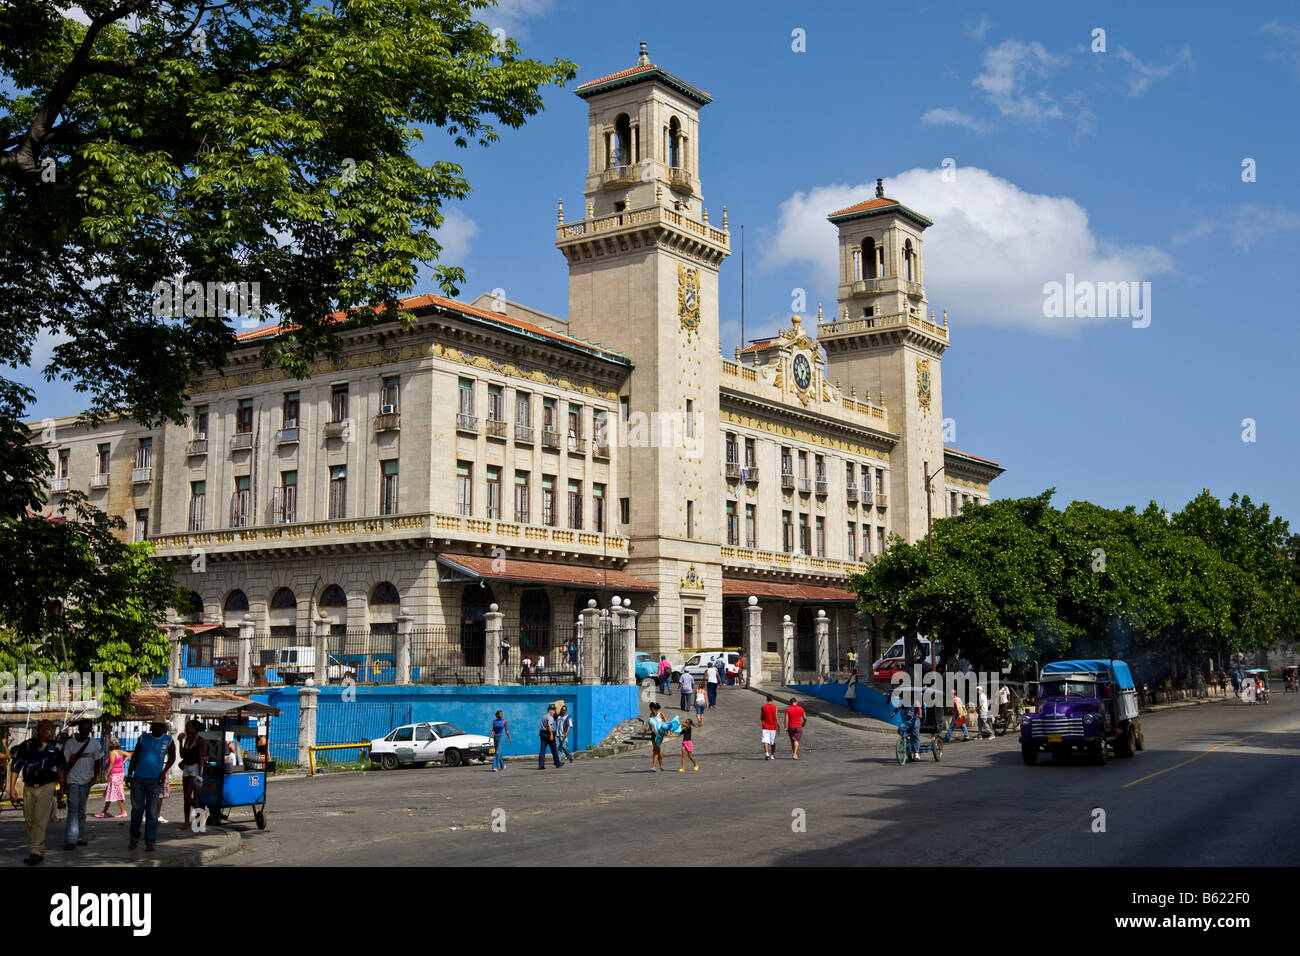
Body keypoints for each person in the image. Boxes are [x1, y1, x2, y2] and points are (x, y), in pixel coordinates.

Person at [11, 720, 65, 864]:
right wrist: (11, 788)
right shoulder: (27, 746)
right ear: (41, 731)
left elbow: (61, 768)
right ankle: (34, 848)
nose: (53, 733)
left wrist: (61, 790)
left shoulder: (57, 747)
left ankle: (36, 851)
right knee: (30, 820)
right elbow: (16, 766)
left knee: (40, 820)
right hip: (29, 787)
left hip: (47, 787)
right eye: (50, 730)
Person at [127, 718, 175, 852]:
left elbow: (172, 757)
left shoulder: (168, 741)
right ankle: (134, 838)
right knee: (137, 809)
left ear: (163, 728)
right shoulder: (143, 739)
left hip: (155, 780)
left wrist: (164, 771)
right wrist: (129, 774)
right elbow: (135, 756)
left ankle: (150, 840)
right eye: (154, 726)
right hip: (139, 779)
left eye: (159, 726)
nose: (156, 729)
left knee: (152, 812)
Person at [60, 717, 101, 850]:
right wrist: (63, 783)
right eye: (84, 729)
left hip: (86, 781)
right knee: (73, 809)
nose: (86, 731)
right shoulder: (70, 744)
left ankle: (79, 836)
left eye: (88, 729)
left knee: (81, 810)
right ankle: (71, 839)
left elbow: (98, 761)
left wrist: (95, 777)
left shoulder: (94, 744)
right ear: (79, 729)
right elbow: (64, 765)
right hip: (72, 780)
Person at [177, 719, 203, 829]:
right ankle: (186, 821)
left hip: (195, 768)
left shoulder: (200, 740)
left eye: (189, 727)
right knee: (185, 797)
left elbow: (200, 757)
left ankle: (201, 814)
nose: (187, 729)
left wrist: (199, 774)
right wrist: (180, 742)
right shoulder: (187, 739)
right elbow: (182, 755)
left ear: (194, 728)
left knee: (188, 795)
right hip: (186, 767)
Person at [95, 739, 129, 818]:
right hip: (120, 774)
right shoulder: (119, 751)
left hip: (115, 774)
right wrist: (123, 762)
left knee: (115, 792)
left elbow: (111, 765)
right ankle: (104, 812)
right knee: (110, 792)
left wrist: (106, 774)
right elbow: (129, 754)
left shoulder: (112, 753)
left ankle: (123, 811)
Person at [892, 693, 923, 761]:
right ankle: (907, 741)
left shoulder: (915, 701)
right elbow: (897, 709)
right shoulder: (902, 702)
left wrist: (920, 714)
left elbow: (919, 708)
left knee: (915, 735)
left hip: (915, 720)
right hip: (906, 721)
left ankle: (916, 752)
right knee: (900, 730)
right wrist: (893, 714)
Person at [536, 704, 563, 769]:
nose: (554, 712)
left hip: (542, 733)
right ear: (549, 710)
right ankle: (557, 763)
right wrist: (551, 735)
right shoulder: (550, 717)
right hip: (548, 733)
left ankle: (541, 765)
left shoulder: (544, 716)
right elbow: (549, 726)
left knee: (542, 750)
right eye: (553, 710)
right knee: (554, 749)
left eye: (554, 710)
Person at [647, 702, 668, 772]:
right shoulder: (651, 715)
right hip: (653, 734)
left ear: (652, 708)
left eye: (650, 708)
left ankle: (653, 766)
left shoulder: (661, 714)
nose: (649, 709)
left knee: (655, 749)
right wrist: (646, 730)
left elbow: (666, 722)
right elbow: (649, 724)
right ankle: (661, 766)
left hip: (659, 734)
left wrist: (668, 731)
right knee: (657, 750)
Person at [760, 695, 779, 760]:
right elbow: (776, 717)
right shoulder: (775, 707)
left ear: (767, 700)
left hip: (765, 726)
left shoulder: (763, 707)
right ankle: (772, 755)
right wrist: (778, 725)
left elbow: (761, 717)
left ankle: (767, 753)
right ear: (772, 700)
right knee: (773, 741)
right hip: (773, 726)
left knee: (765, 740)